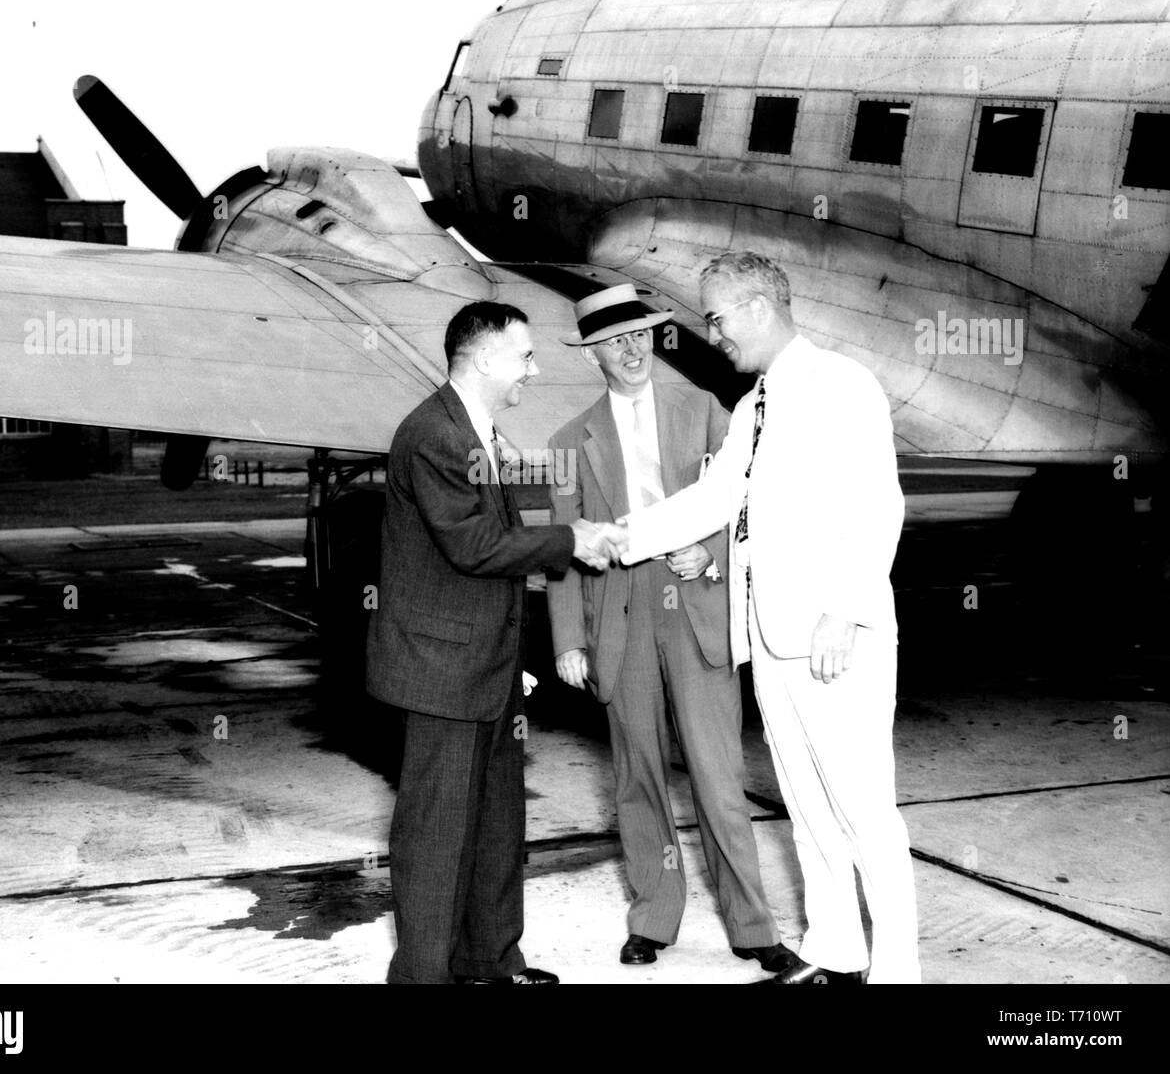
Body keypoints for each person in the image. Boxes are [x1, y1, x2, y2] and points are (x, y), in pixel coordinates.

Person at [618, 252, 921, 984]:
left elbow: (880, 504)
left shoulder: (841, 385)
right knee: (810, 810)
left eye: (717, 319)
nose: (713, 334)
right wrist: (621, 537)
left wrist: (843, 612)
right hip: (771, 640)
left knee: (862, 808)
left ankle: (898, 970)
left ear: (757, 307)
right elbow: (715, 500)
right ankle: (836, 949)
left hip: (832, 636)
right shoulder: (755, 406)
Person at [366, 300, 621, 985]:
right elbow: (474, 545)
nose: (534, 371)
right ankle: (422, 976)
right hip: (440, 670)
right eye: (525, 356)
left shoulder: (473, 429)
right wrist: (573, 539)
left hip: (484, 665)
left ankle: (489, 960)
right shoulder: (436, 435)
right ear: (482, 358)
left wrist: (515, 660)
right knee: (437, 832)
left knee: (495, 824)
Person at [546, 283, 796, 974]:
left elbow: (744, 504)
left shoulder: (707, 411)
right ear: (594, 353)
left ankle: (753, 924)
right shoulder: (570, 440)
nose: (630, 351)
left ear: (654, 339)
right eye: (613, 342)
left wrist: (710, 554)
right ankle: (653, 915)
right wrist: (568, 638)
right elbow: (563, 549)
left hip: (693, 605)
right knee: (638, 775)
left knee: (719, 778)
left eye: (639, 336)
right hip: (618, 616)